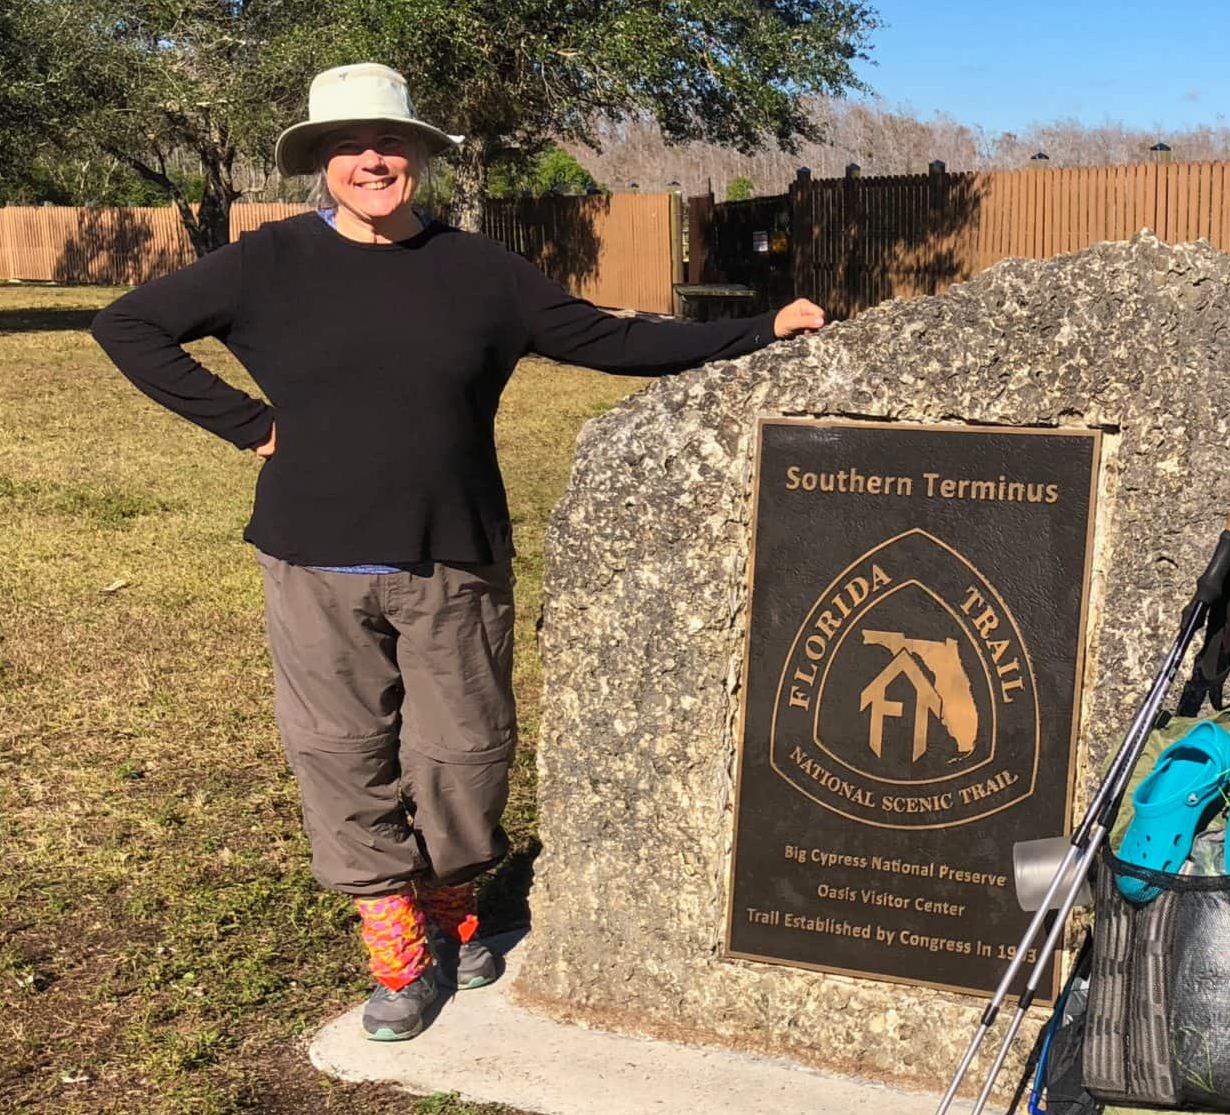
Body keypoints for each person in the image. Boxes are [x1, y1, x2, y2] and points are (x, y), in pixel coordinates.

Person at [91, 63, 824, 1040]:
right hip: (315, 558)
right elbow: (130, 324)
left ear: (419, 157)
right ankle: (391, 927)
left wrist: (757, 330)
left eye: (389, 144)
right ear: (320, 161)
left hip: (456, 556)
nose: (371, 160)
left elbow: (601, 337)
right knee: (339, 747)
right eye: (348, 146)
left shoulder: (479, 270)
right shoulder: (267, 264)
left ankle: (449, 899)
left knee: (465, 749)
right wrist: (250, 425)